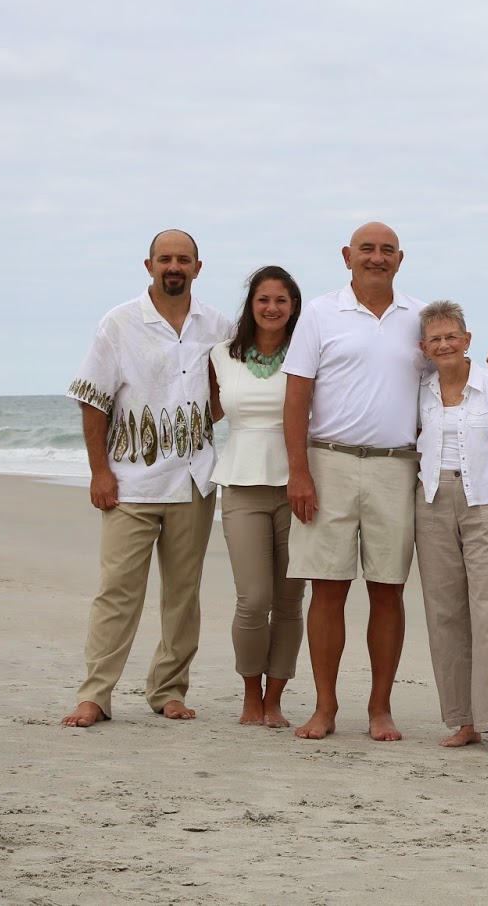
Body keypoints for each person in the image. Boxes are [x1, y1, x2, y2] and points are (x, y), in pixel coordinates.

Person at [61, 229, 233, 728]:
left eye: (183, 259)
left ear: (198, 267)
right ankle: (95, 695)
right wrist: (99, 471)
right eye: (165, 259)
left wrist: (193, 426)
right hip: (129, 483)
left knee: (183, 592)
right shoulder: (118, 323)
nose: (173, 267)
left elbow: (227, 393)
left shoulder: (218, 325)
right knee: (117, 589)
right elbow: (92, 398)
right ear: (149, 265)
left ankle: (168, 690)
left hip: (194, 480)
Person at [282, 222, 424, 741]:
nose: (377, 258)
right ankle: (324, 707)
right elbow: (296, 398)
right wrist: (299, 472)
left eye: (387, 250)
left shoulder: (418, 317)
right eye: (367, 249)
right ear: (347, 256)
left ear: (400, 259)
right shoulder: (319, 313)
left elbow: (447, 382)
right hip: (329, 463)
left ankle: (380, 709)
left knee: (389, 590)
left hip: (395, 465)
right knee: (328, 590)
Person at [415, 301, 488, 758]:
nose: (444, 345)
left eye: (451, 337)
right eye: (435, 339)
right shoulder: (421, 389)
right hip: (432, 503)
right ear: (425, 347)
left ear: (467, 340)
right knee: (445, 615)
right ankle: (464, 721)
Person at [208, 266, 306, 729]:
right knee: (253, 598)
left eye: (281, 301)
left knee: (289, 601)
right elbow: (198, 411)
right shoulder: (221, 355)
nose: (272, 308)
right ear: (251, 304)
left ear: (293, 307)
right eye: (264, 300)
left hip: (299, 487)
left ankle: (276, 699)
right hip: (242, 485)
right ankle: (250, 694)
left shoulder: (308, 354)